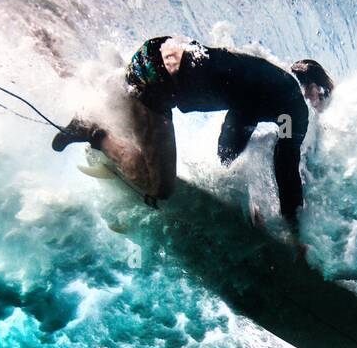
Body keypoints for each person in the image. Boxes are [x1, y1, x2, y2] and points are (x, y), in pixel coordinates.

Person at [53, 38, 334, 225]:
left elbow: (233, 135)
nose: (316, 107)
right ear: (314, 89)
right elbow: (285, 163)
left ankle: (95, 104)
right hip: (160, 81)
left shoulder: (266, 81)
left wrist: (237, 189)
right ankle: (96, 134)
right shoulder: (292, 103)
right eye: (321, 98)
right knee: (160, 188)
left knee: (138, 111)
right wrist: (294, 229)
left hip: (159, 56)